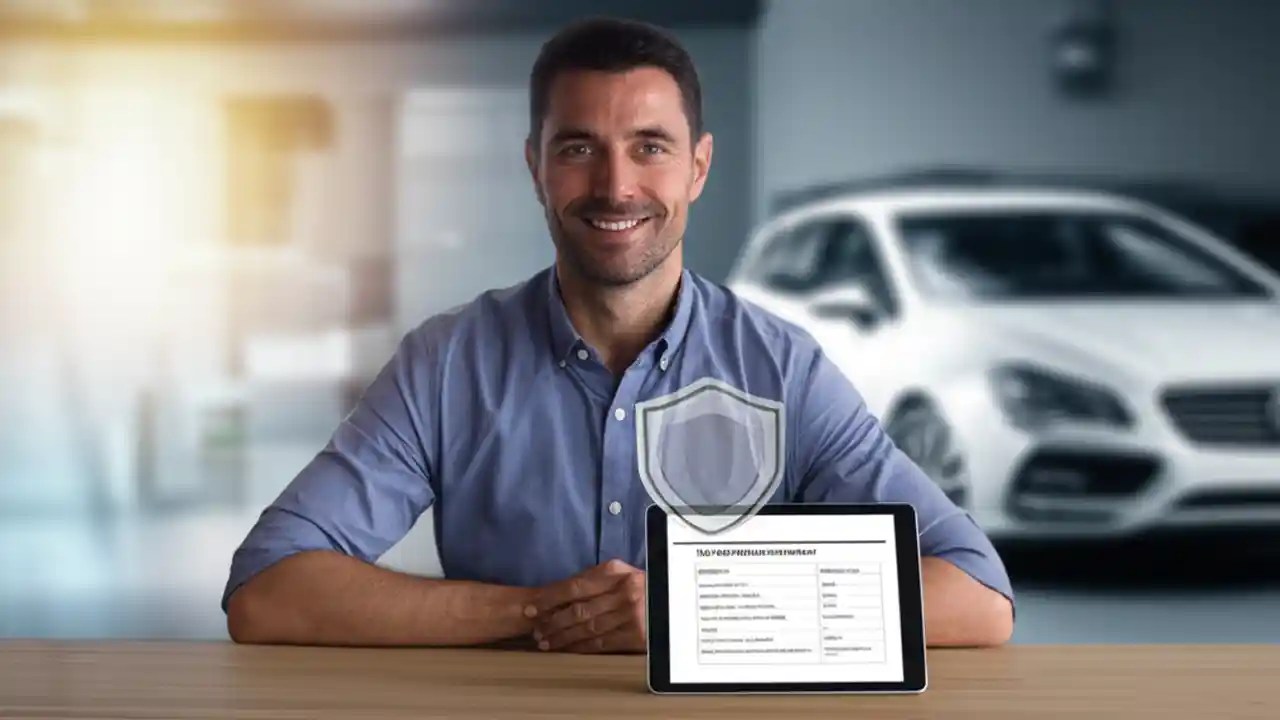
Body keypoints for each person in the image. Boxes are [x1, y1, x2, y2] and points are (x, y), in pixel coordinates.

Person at [224, 17, 1014, 653]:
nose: (615, 186)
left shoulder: (783, 371)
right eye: (578, 149)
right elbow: (270, 590)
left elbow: (976, 597)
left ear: (697, 168)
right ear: (536, 167)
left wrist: (694, 615)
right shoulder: (448, 363)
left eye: (650, 147)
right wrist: (542, 611)